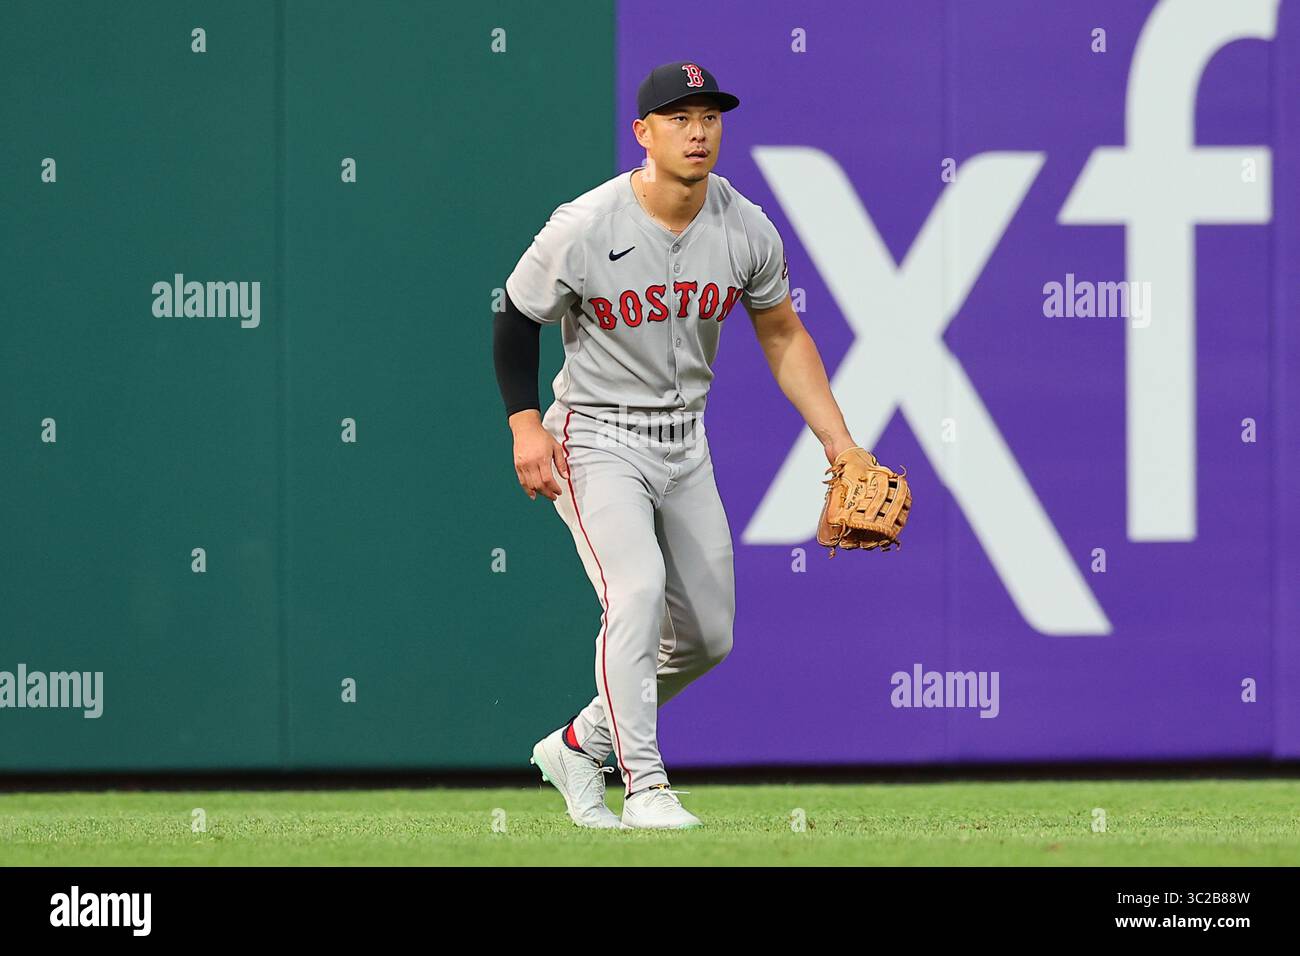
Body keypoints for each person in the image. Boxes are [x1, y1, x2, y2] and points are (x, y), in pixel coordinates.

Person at [493, 61, 858, 829]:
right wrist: (525, 422)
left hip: (683, 441)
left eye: (710, 117)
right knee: (636, 592)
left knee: (707, 636)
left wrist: (841, 445)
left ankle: (576, 744)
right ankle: (647, 785)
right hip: (594, 438)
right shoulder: (587, 224)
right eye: (680, 117)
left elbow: (783, 334)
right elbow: (516, 314)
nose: (698, 131)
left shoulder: (745, 226)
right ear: (644, 133)